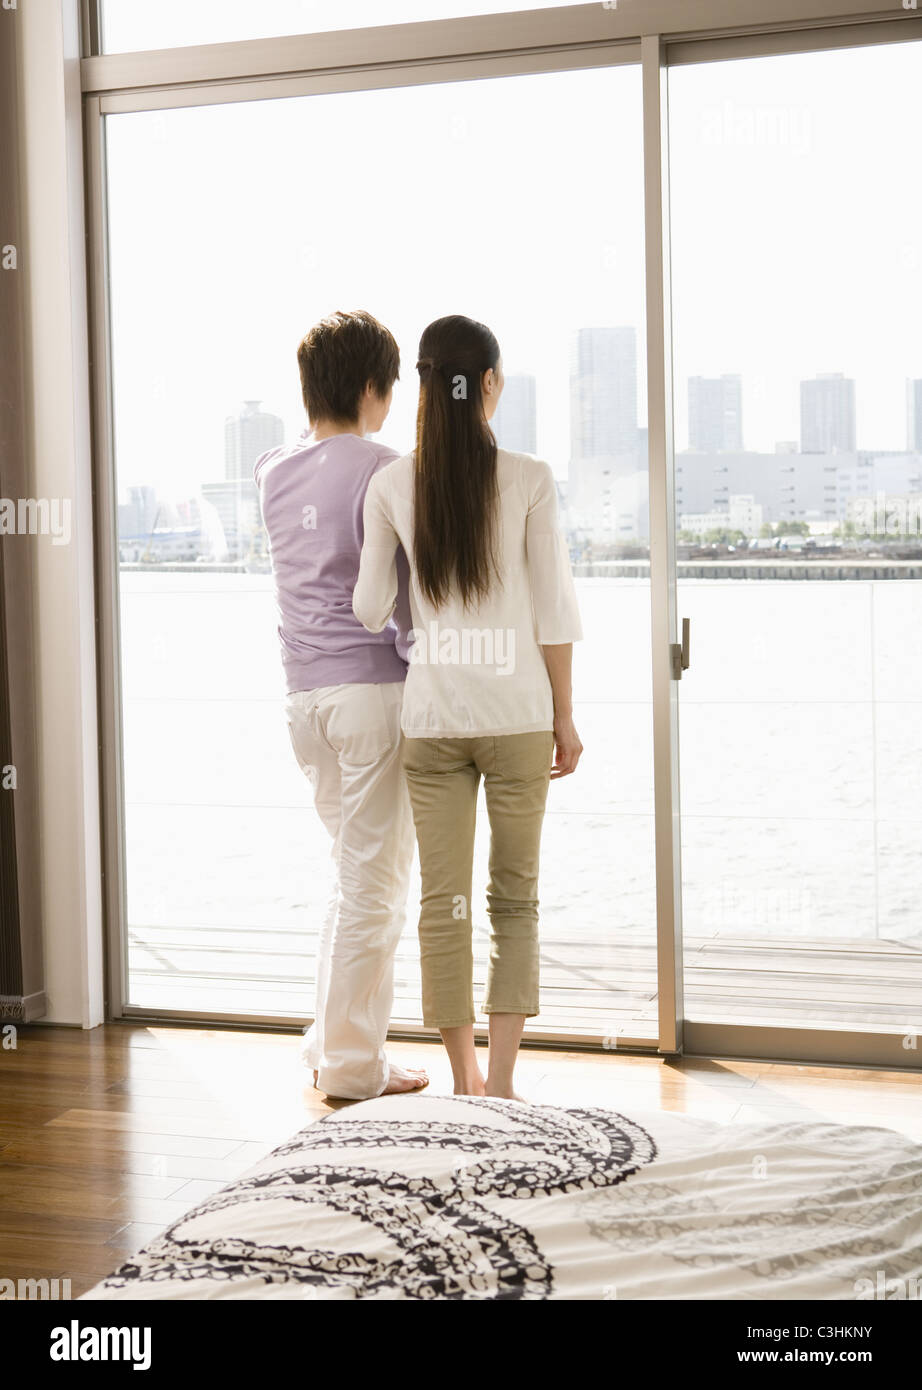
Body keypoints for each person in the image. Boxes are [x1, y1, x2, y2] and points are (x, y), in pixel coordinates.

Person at [353, 314, 583, 1100]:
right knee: (514, 898)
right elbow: (553, 611)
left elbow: (368, 606)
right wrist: (566, 717)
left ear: (422, 386)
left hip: (434, 724)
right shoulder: (530, 477)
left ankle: (464, 1079)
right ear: (488, 384)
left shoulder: (389, 484)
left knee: (442, 903)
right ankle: (506, 1085)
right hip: (519, 719)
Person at [254, 309, 428, 1100]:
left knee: (351, 875)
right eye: (388, 389)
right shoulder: (385, 465)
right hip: (369, 694)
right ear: (371, 388)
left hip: (304, 701)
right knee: (376, 883)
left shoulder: (272, 469)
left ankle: (331, 1047)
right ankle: (355, 1070)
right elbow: (414, 590)